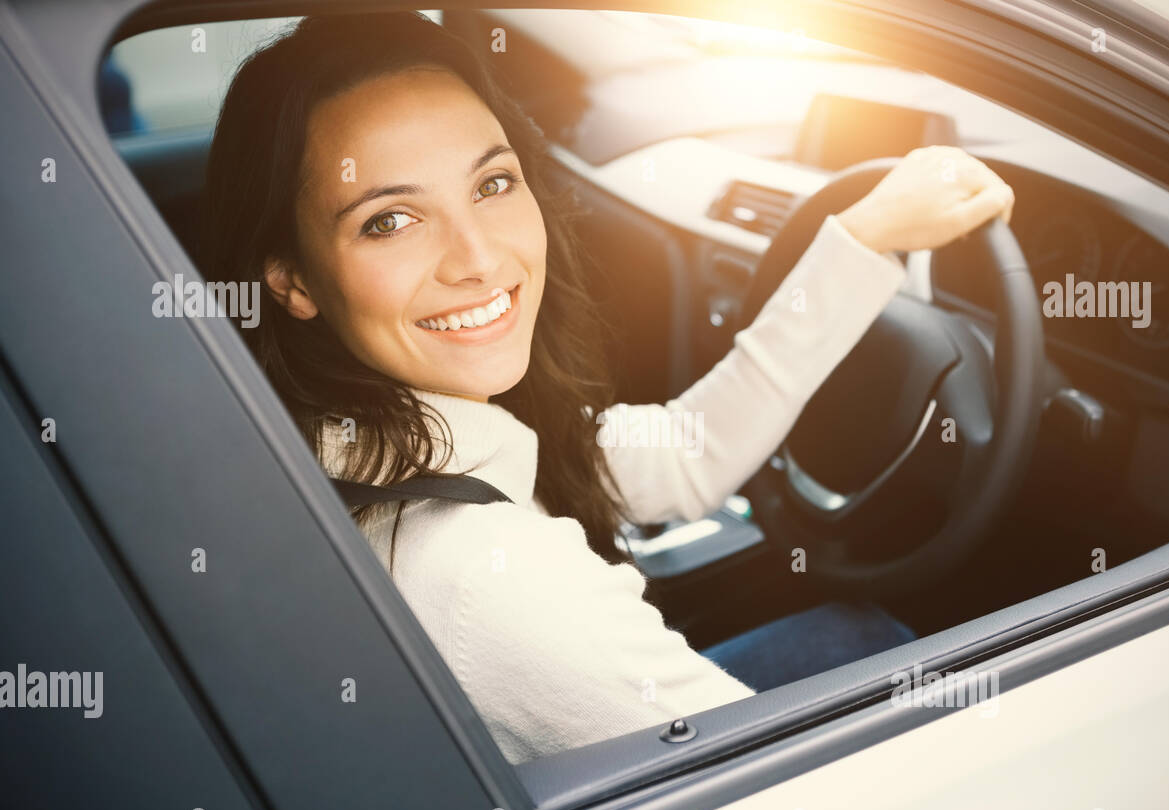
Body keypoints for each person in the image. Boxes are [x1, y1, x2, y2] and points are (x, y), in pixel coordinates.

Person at [200, 11, 1014, 764]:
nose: (478, 259)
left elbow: (684, 456)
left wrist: (863, 239)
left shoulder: (357, 433)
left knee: (850, 631)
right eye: (389, 220)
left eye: (492, 184)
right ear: (291, 279)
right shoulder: (490, 576)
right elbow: (774, 790)